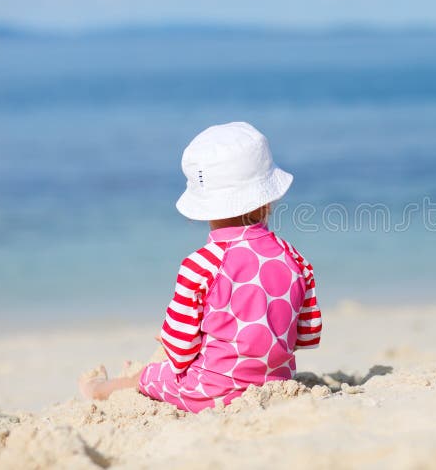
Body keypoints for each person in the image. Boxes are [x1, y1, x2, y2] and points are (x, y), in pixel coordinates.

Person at [79, 121, 321, 412]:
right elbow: (305, 336)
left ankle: (100, 389)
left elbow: (181, 353)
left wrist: (169, 340)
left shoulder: (202, 265)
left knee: (149, 376)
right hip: (277, 381)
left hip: (211, 392)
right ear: (269, 197)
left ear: (203, 207)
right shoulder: (294, 259)